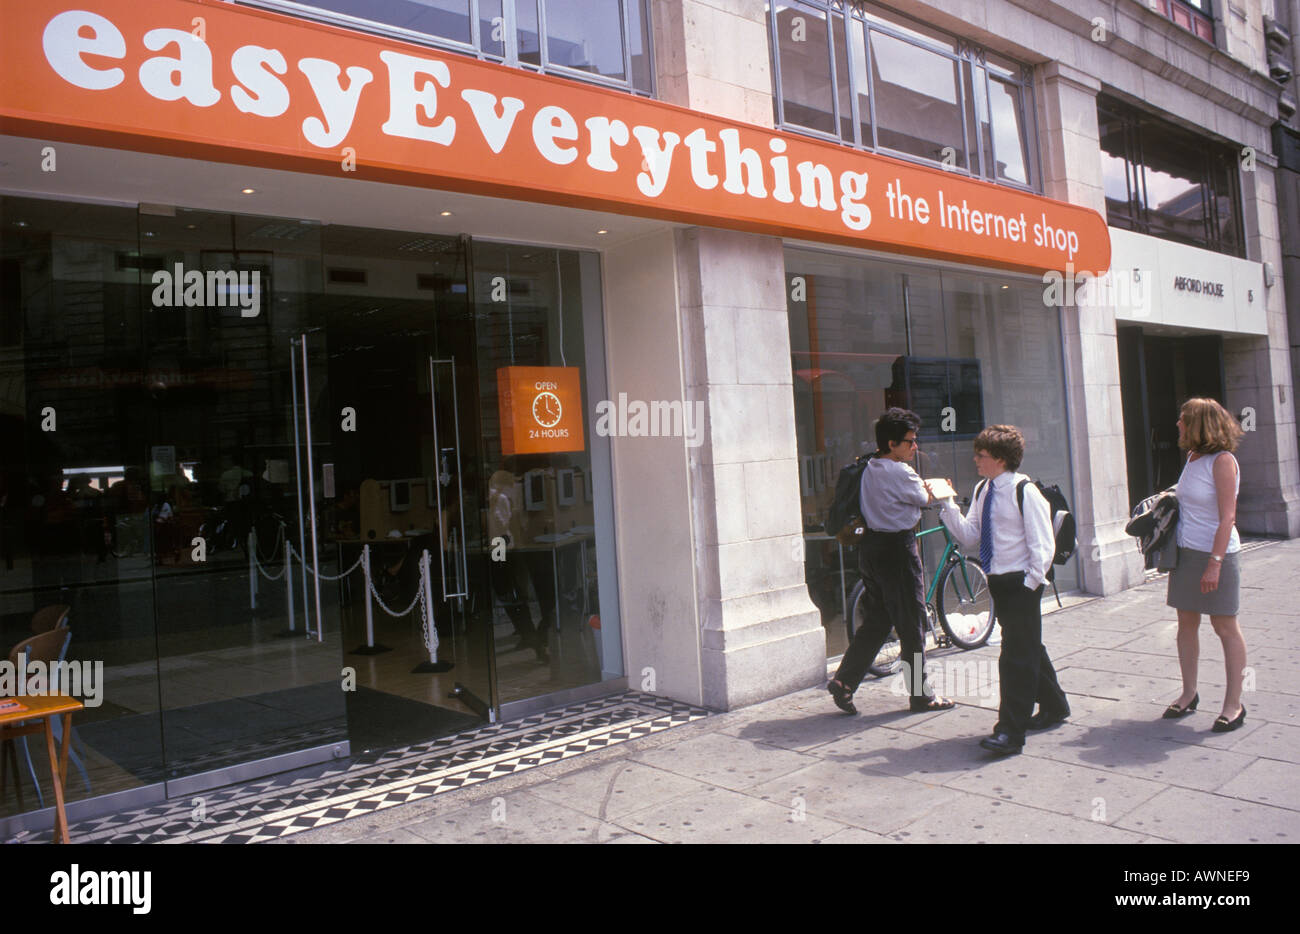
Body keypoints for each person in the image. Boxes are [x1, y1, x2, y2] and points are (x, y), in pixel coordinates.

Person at [939, 425, 1067, 756]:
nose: (975, 460)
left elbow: (1043, 546)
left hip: (1022, 583)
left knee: (1015, 659)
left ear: (999, 458)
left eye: (980, 455)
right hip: (998, 581)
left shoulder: (1026, 491)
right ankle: (1055, 706)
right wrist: (948, 503)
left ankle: (1010, 732)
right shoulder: (985, 489)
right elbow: (969, 536)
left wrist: (1029, 584)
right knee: (1027, 648)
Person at [827, 408, 955, 715]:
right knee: (912, 626)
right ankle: (921, 695)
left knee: (878, 621)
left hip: (870, 549)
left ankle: (844, 681)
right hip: (898, 551)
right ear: (891, 443)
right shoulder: (901, 472)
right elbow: (925, 499)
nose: (915, 447)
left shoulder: (868, 465)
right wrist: (940, 489)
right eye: (909, 442)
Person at [1161, 398, 1247, 732]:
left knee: (1225, 626)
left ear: (1198, 424)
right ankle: (1188, 694)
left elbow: (1228, 517)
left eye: (1183, 420)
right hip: (1187, 553)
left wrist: (1215, 564)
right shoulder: (1193, 457)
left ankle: (1234, 704)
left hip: (1217, 554)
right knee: (1186, 624)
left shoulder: (1223, 461)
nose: (1178, 425)